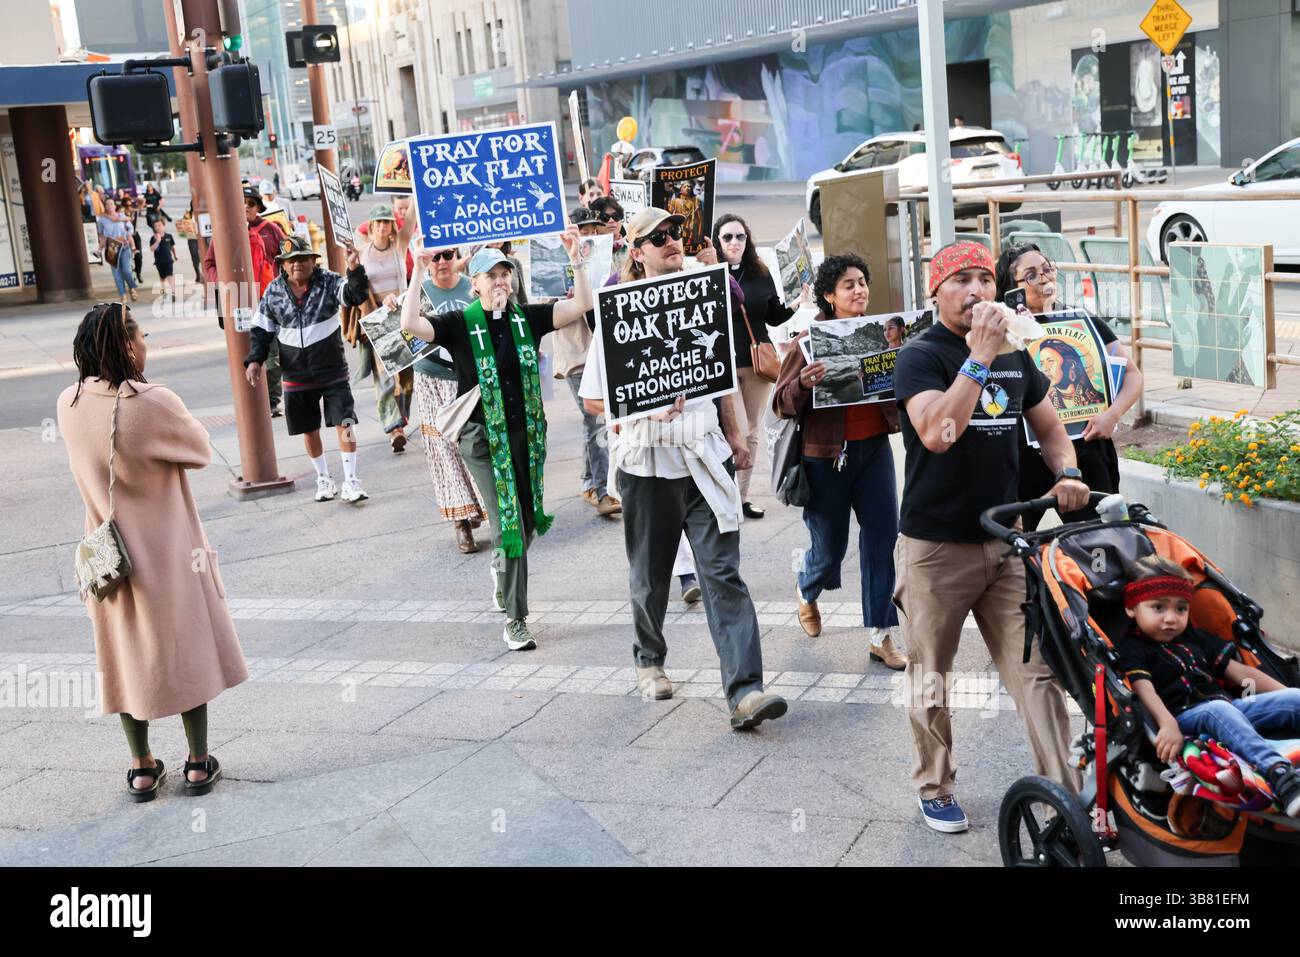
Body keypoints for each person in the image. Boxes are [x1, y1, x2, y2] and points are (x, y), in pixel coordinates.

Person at [892, 241, 1088, 833]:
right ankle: (934, 785)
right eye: (961, 281)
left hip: (1007, 542)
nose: (976, 291)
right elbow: (939, 432)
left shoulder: (1016, 354)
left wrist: (1069, 472)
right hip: (936, 548)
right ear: (937, 292)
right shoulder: (920, 357)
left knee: (1037, 673)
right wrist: (976, 358)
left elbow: (1051, 427)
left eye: (983, 279)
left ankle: (1065, 796)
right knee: (931, 674)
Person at [579, 207, 788, 731]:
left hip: (704, 457)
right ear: (638, 252)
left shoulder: (702, 299)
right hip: (648, 464)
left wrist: (737, 439)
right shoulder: (617, 314)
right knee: (650, 575)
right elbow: (593, 400)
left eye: (676, 233)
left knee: (722, 572)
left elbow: (721, 384)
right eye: (659, 237)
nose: (673, 241)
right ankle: (649, 658)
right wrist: (643, 406)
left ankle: (746, 691)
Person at [57, 302, 247, 801]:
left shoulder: (68, 404)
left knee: (121, 655)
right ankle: (198, 763)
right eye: (141, 336)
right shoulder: (153, 401)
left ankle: (142, 768)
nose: (147, 345)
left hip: (108, 557)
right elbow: (201, 450)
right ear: (126, 344)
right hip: (169, 554)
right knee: (185, 649)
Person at [400, 231, 594, 652]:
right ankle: (517, 620)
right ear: (476, 284)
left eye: (506, 274)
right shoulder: (459, 323)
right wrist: (417, 271)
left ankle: (502, 571)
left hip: (525, 435)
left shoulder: (529, 317)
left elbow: (582, 305)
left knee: (524, 523)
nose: (501, 281)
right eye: (492, 276)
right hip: (482, 440)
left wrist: (575, 260)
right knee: (509, 523)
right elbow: (410, 324)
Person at [773, 254, 907, 670]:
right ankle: (806, 585)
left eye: (863, 282)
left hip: (874, 453)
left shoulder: (883, 334)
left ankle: (881, 635)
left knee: (883, 540)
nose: (860, 290)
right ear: (829, 295)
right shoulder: (808, 340)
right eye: (848, 284)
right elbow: (780, 403)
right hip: (824, 458)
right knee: (830, 550)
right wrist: (802, 383)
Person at [1117, 556, 1300, 817]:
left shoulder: (1193, 638)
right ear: (1132, 609)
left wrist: (1286, 698)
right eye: (1158, 607)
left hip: (1229, 709)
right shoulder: (1132, 648)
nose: (1171, 618)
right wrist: (1167, 723)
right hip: (1183, 717)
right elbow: (1143, 688)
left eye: (1181, 609)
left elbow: (1241, 674)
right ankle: (1281, 775)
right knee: (1215, 710)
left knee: (1293, 698)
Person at [994, 242, 1143, 525]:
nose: (1045, 279)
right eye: (1031, 275)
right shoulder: (1001, 333)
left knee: (1096, 541)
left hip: (1086, 449)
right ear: (1011, 287)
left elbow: (1132, 374)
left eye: (1048, 270)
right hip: (1024, 455)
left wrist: (1112, 415)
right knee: (1017, 551)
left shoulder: (1083, 321)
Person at [245, 235, 372, 504]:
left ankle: (351, 480)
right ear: (282, 264)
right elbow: (261, 331)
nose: (296, 265)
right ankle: (323, 479)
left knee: (345, 422)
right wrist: (255, 360)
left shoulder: (328, 281)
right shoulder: (274, 292)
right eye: (290, 261)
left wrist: (354, 269)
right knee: (309, 428)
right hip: (296, 374)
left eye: (302, 259)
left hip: (332, 369)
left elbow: (355, 294)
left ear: (313, 261)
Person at [712, 213, 800, 519]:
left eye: (740, 237)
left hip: (756, 363)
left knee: (750, 431)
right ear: (717, 241)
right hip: (721, 364)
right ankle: (724, 494)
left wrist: (795, 304)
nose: (734, 242)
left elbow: (773, 315)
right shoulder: (707, 273)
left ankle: (740, 498)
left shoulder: (760, 273)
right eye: (727, 237)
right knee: (730, 430)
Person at [408, 243, 489, 553]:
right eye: (435, 256)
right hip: (430, 378)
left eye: (448, 255)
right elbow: (403, 323)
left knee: (473, 443)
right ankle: (462, 522)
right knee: (443, 448)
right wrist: (393, 303)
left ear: (458, 257)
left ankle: (489, 508)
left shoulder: (473, 288)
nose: (442, 261)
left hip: (466, 378)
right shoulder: (419, 290)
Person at [555, 207, 621, 517]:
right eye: (584, 229)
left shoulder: (609, 257)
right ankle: (604, 490)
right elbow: (544, 308)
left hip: (604, 348)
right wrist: (566, 297)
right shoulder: (556, 260)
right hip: (577, 351)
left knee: (589, 421)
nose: (590, 234)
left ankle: (588, 482)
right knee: (595, 416)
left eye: (595, 228)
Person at [206, 186, 286, 417]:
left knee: (272, 356)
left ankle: (271, 401)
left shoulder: (271, 230)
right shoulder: (223, 233)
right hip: (238, 301)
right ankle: (252, 402)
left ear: (258, 208)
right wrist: (224, 282)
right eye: (241, 202)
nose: (245, 207)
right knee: (244, 352)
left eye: (251, 204)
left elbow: (288, 259)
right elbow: (210, 263)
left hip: (267, 301)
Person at [354, 203, 414, 454]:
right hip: (377, 319)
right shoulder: (362, 249)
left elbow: (412, 215)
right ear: (370, 226)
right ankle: (393, 429)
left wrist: (413, 183)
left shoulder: (400, 245)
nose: (381, 226)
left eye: (386, 222)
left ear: (392, 226)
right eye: (377, 222)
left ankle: (401, 416)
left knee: (408, 374)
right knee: (385, 377)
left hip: (403, 317)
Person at [96, 198, 138, 302]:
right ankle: (122, 295)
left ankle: (132, 287)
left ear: (115, 206)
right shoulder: (102, 220)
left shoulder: (122, 217)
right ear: (105, 207)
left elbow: (130, 229)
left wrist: (128, 236)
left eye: (111, 204)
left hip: (124, 247)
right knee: (117, 274)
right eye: (107, 204)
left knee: (127, 271)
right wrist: (100, 248)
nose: (109, 206)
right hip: (112, 249)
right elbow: (101, 236)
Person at [149, 219, 176, 302]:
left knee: (170, 276)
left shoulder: (169, 236)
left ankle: (173, 293)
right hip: (159, 261)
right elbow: (151, 249)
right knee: (162, 278)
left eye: (159, 225)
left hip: (168, 260)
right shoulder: (153, 238)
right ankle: (163, 291)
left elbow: (172, 246)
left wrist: (175, 255)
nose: (158, 227)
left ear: (164, 226)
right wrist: (158, 241)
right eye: (156, 226)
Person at [176, 204, 201, 280]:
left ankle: (205, 274)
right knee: (194, 258)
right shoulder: (188, 214)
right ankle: (198, 274)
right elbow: (183, 227)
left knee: (203, 257)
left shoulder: (202, 213)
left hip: (202, 238)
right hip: (192, 239)